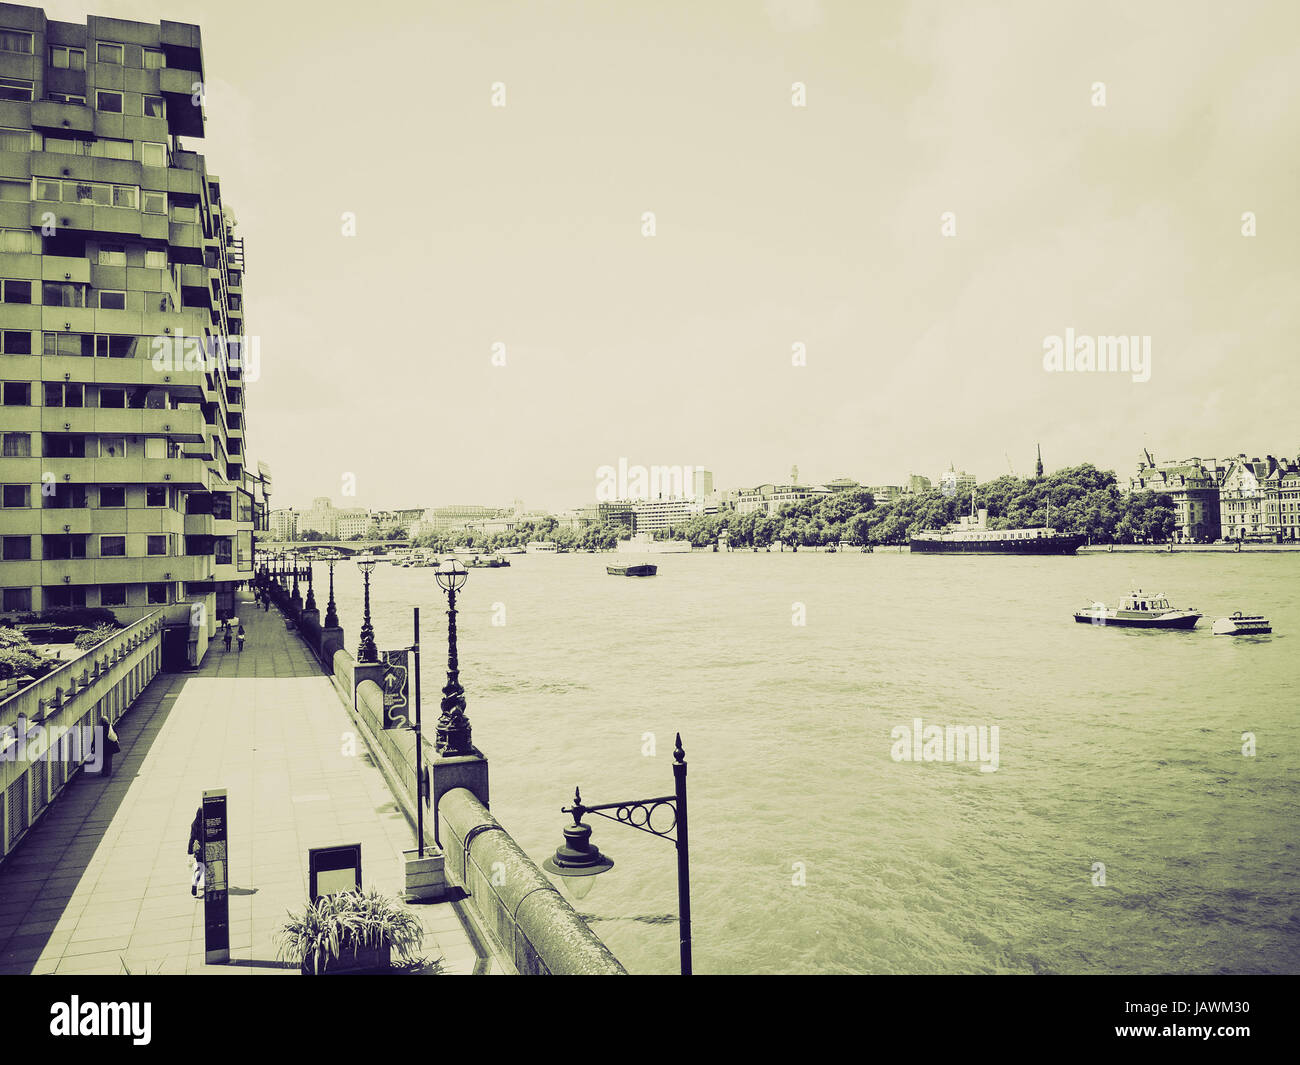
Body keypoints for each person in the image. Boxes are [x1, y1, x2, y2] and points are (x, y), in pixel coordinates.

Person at [96, 713, 121, 777]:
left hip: (102, 747)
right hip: (110, 746)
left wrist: (93, 746)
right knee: (109, 759)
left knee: (103, 760)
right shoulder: (110, 726)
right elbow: (115, 734)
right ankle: (108, 772)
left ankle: (104, 772)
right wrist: (118, 740)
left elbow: (95, 738)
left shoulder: (99, 728)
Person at [187, 806, 204, 897]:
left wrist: (190, 850)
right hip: (206, 848)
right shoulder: (205, 823)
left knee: (200, 867)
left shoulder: (194, 824)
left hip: (198, 850)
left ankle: (195, 883)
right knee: (206, 867)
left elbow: (192, 838)